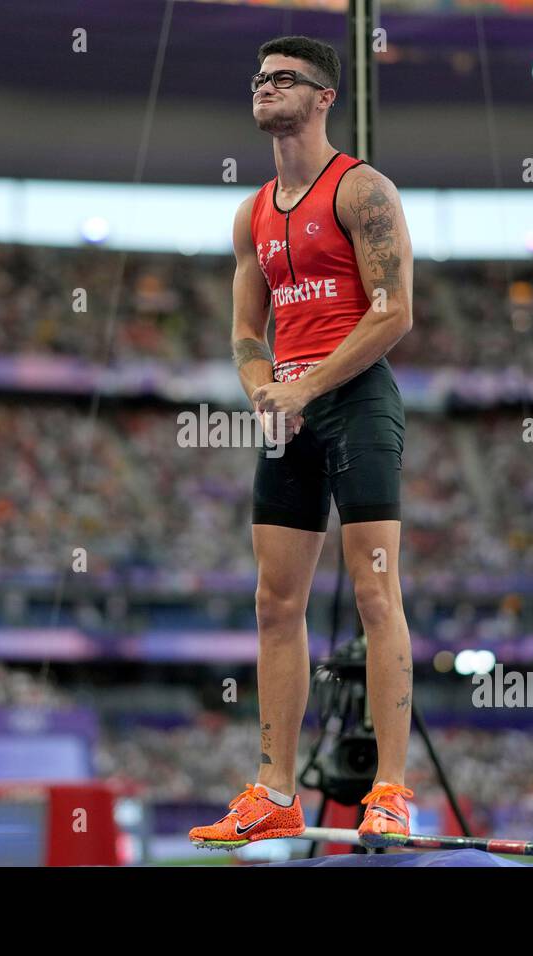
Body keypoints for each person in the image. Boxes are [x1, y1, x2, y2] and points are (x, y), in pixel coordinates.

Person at [189, 35, 416, 850]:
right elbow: (247, 330)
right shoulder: (252, 213)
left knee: (375, 593)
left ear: (324, 98)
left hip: (355, 403)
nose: (265, 88)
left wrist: (306, 385)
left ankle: (390, 790)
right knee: (273, 603)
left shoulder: (361, 189)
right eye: (259, 78)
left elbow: (395, 311)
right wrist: (263, 391)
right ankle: (276, 791)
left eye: (284, 79)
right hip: (291, 412)